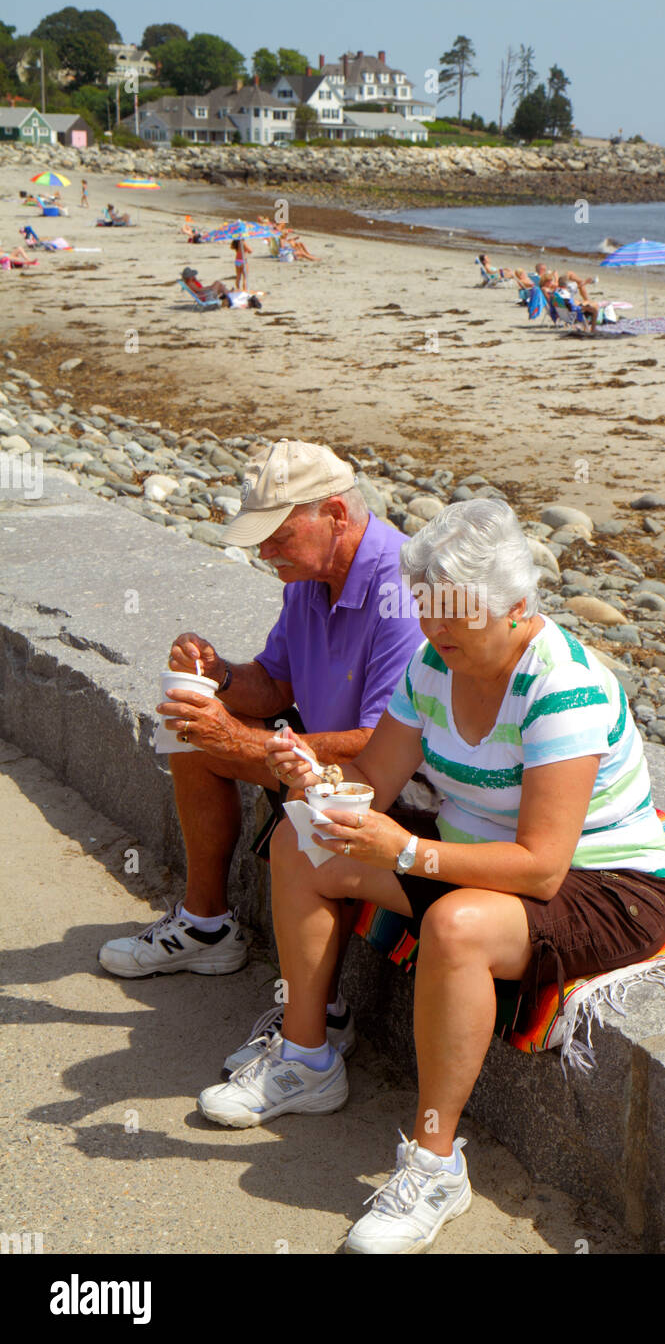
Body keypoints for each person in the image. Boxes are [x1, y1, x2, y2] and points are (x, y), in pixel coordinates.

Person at [196, 498, 665, 1254]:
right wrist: (308, 773)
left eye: (453, 622)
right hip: (472, 854)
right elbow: (371, 779)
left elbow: (543, 867)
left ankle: (433, 1162)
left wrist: (406, 854)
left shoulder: (564, 686)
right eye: (427, 614)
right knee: (304, 844)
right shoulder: (435, 661)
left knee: (456, 925)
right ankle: (306, 1058)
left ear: (517, 609)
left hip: (604, 885)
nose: (433, 634)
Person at [98, 440, 427, 1056]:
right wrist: (218, 674)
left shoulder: (401, 587)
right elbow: (275, 682)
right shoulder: (309, 573)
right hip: (346, 753)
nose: (263, 551)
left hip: (402, 776)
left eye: (277, 535)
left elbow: (385, 742)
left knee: (282, 803)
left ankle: (317, 1017)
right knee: (191, 731)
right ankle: (206, 924)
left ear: (335, 513)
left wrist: (248, 740)